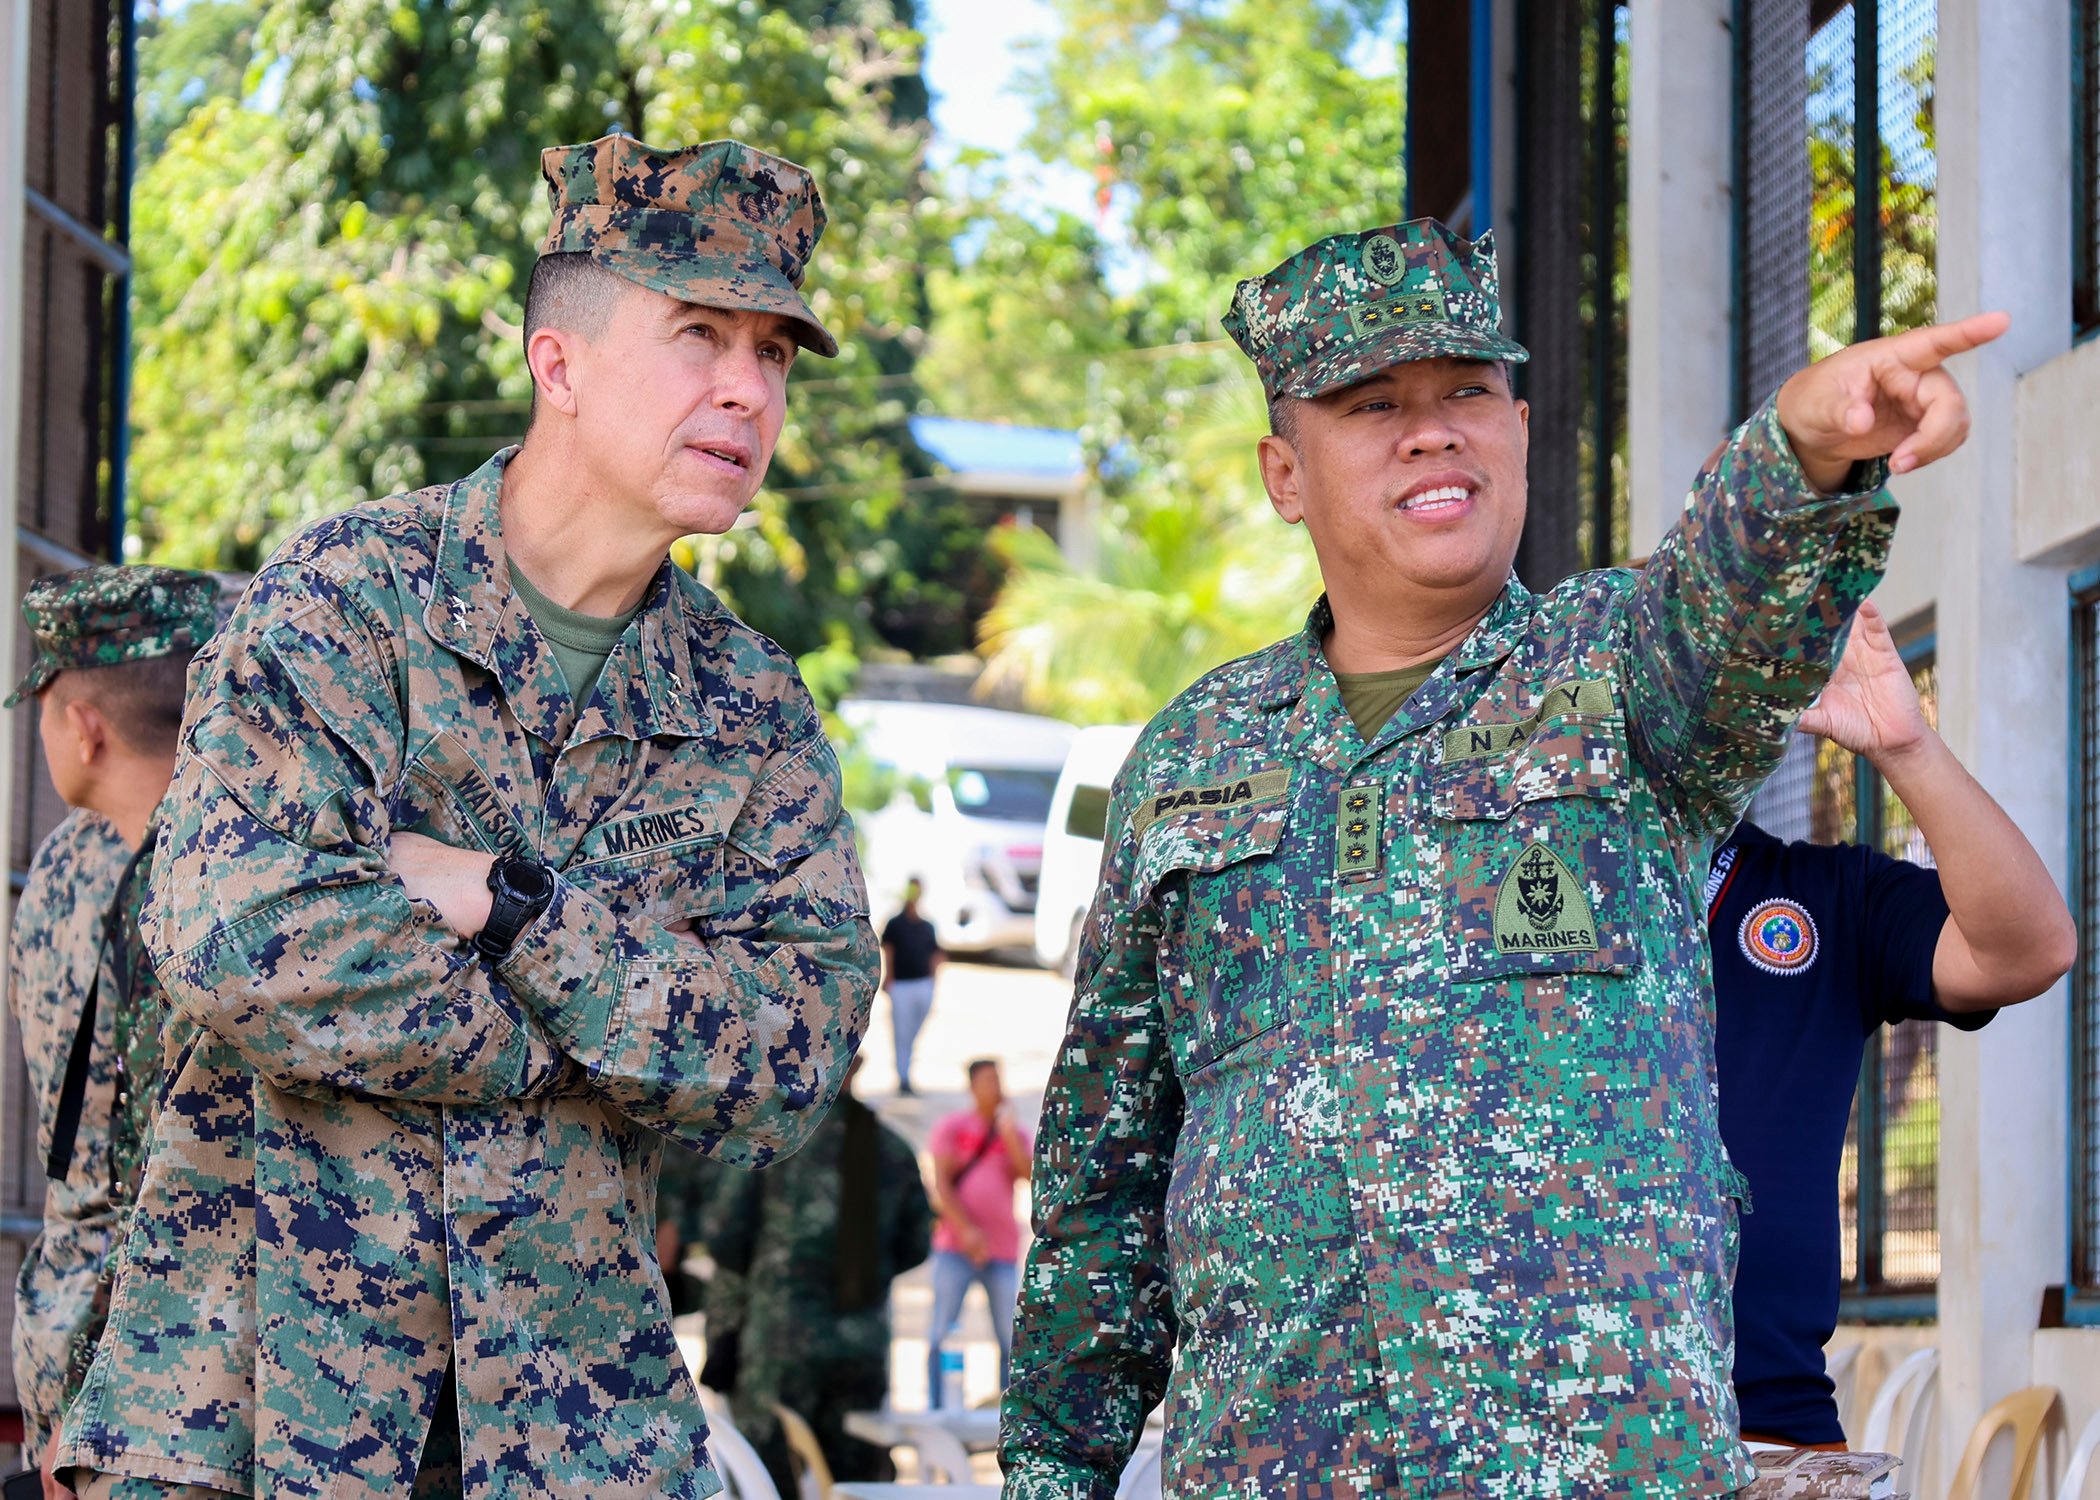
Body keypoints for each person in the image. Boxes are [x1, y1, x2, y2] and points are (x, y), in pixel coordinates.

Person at [999, 215, 2005, 1497]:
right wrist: (1049, 1474)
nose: (1432, 429)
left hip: (1595, 1468)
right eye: (1370, 404)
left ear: (1519, 430)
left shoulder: (1619, 673)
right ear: (1283, 473)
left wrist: (1804, 452)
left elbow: (1733, 608)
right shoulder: (1190, 755)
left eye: (1467, 390)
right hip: (1281, 1467)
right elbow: (1106, 1184)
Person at [57, 135, 878, 1500]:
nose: (746, 389)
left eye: (775, 355)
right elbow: (227, 940)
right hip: (257, 1422)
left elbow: (791, 1058)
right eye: (698, 336)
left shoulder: (750, 707)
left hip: (578, 1428)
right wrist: (595, 1048)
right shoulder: (343, 601)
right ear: (557, 365)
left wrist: (513, 910)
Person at [1713, 599, 2074, 1448]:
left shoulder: (1827, 894)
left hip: (1772, 1428)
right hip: (1548, 1434)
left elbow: (2031, 949)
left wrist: (1904, 744)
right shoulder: (1510, 890)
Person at [3, 567, 215, 1495]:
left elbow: (146, 1188)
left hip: (149, 1397)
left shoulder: (167, 885)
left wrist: (83, 1407)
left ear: (82, 728)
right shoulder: (258, 865)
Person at [698, 1058, 933, 1492]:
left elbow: (724, 1237)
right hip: (860, 1345)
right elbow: (917, 1245)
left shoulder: (773, 1144)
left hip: (781, 1343)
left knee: (768, 1481)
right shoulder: (893, 1149)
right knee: (853, 1485)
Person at [928, 1058, 1031, 1406]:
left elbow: (1028, 1175)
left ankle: (1007, 1410)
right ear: (972, 1086)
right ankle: (939, 1404)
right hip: (954, 1246)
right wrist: (967, 1231)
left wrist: (1007, 1134)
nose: (995, 1087)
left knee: (1009, 1335)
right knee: (943, 1330)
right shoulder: (953, 1127)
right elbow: (941, 1182)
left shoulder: (1014, 1132)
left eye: (998, 1079)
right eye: (987, 1080)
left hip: (1002, 1248)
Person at [882, 879, 943, 1094]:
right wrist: (888, 978)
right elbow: (888, 951)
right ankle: (903, 1077)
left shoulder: (927, 925)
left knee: (913, 1031)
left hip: (922, 983)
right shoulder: (895, 924)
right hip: (901, 984)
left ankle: (906, 1068)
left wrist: (934, 981)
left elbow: (936, 954)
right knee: (901, 1032)